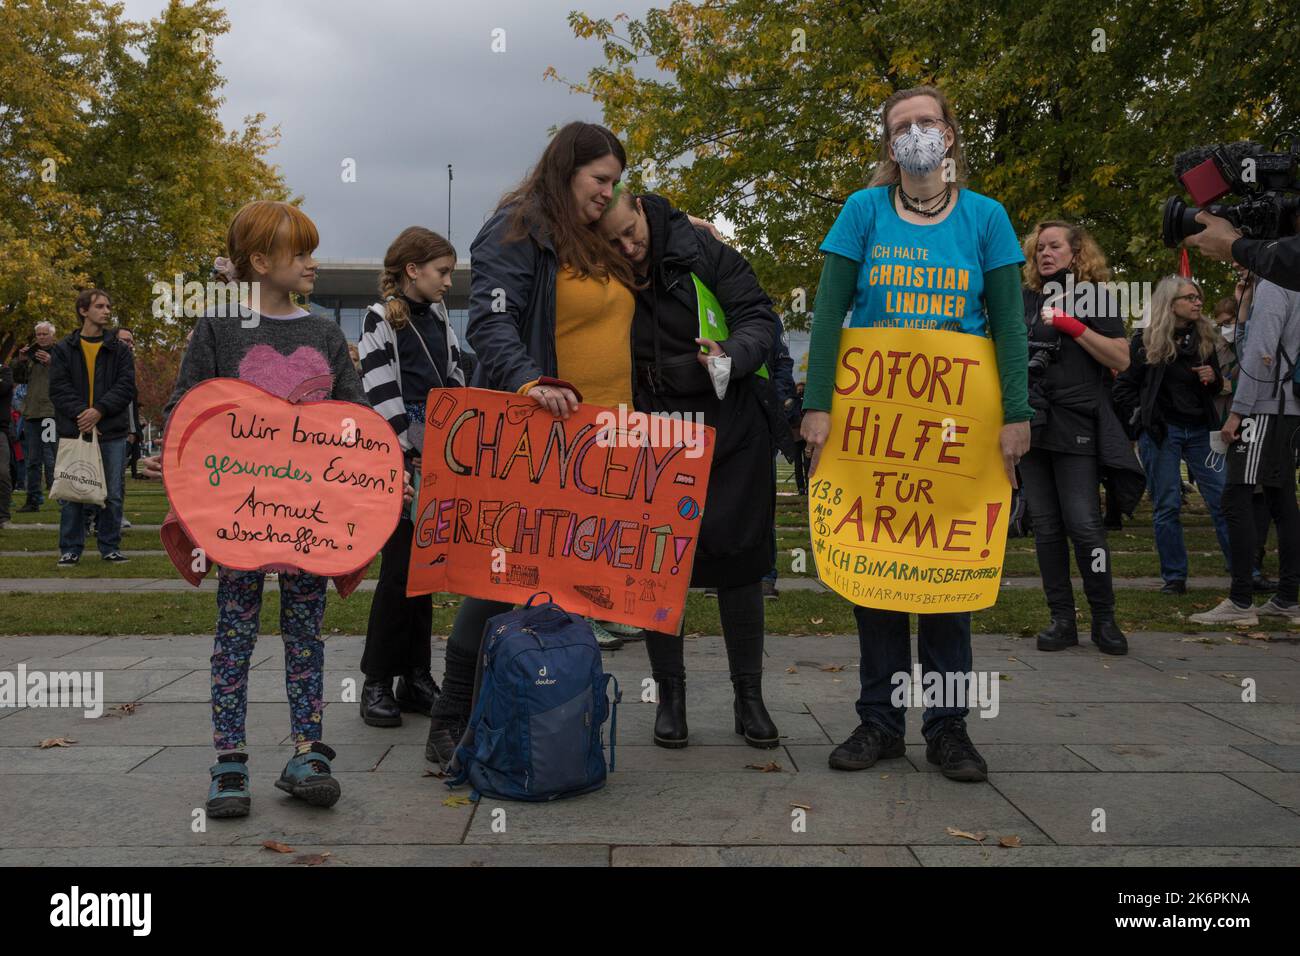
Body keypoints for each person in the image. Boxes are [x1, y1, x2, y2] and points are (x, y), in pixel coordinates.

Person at [801, 85, 1031, 781]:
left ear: (951, 135)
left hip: (960, 429)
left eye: (926, 121)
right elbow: (829, 315)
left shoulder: (987, 219)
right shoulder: (862, 213)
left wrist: (1018, 415)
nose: (916, 134)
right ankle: (879, 721)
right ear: (888, 145)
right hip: (873, 428)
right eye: (902, 126)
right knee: (875, 572)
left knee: (948, 581)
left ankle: (949, 727)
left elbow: (1010, 326)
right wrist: (816, 405)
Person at [142, 200, 387, 817]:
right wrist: (173, 456)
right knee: (236, 632)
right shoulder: (219, 330)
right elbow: (186, 408)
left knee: (306, 632)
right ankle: (230, 760)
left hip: (310, 519)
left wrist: (382, 476)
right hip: (239, 518)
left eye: (311, 251)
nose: (312, 263)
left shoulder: (327, 334)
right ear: (259, 261)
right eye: (299, 253)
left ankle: (308, 751)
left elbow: (355, 420)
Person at [423, 122, 646, 768]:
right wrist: (527, 381)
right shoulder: (518, 229)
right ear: (566, 168)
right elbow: (490, 321)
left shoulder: (591, 237)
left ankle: (540, 718)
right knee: (502, 577)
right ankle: (450, 719)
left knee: (564, 586)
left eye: (615, 183)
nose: (608, 192)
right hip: (539, 438)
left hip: (603, 444)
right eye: (599, 179)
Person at [597, 184, 782, 748]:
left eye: (631, 232)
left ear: (641, 206)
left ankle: (748, 696)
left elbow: (760, 317)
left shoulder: (703, 250)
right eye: (614, 242)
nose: (628, 248)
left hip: (730, 422)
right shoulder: (596, 265)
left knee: (740, 560)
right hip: (653, 425)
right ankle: (669, 695)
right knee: (659, 563)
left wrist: (730, 354)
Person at [356, 226, 466, 727]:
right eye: (442, 272)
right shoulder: (379, 318)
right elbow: (380, 389)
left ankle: (415, 675)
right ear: (412, 270)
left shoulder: (442, 318)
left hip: (438, 455)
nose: (448, 282)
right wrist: (405, 454)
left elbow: (457, 379)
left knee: (429, 567)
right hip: (401, 460)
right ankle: (377, 678)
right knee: (399, 570)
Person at [1018, 220, 1142, 655]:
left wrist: (1073, 326)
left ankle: (1105, 618)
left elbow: (1122, 358)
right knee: (1047, 529)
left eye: (1054, 247)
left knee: (1086, 526)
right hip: (1033, 423)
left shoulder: (1094, 297)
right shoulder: (1025, 300)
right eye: (1039, 249)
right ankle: (1062, 620)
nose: (1045, 254)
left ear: (1075, 253)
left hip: (1077, 424)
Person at [1191, 267, 1300, 625]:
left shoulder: (1275, 284)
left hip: (1264, 407)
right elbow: (1250, 346)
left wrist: (1237, 413)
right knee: (1280, 499)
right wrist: (1244, 304)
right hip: (1287, 408)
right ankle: (1287, 598)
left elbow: (1258, 355)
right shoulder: (1286, 282)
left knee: (1235, 497)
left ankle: (1240, 601)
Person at [1113, 277, 1230, 594]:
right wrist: (1142, 419)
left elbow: (1217, 386)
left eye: (1199, 297)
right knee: (1167, 505)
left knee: (1223, 500)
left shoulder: (1204, 339)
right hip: (1163, 433)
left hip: (1201, 431)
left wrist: (1213, 379)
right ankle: (1174, 577)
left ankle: (1246, 571)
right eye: (1190, 297)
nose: (1197, 302)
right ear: (1170, 303)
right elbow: (1123, 389)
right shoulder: (1145, 341)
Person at [47, 290, 136, 566]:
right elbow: (58, 388)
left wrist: (99, 411)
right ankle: (71, 548)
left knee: (113, 491)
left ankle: (109, 546)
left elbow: (125, 387)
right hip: (75, 430)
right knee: (73, 490)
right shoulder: (64, 348)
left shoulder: (119, 349)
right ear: (84, 311)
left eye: (108, 306)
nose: (107, 311)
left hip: (111, 430)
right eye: (100, 306)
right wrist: (82, 415)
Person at [1184, 211, 1300, 292]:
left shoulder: (1272, 286)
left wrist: (1233, 246)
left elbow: (1293, 260)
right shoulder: (1261, 285)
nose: (1235, 263)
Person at [14, 322, 58, 512]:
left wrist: (51, 362)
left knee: (55, 458)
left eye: (45, 334)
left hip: (51, 412)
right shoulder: (31, 354)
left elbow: (71, 375)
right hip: (32, 413)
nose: (41, 337)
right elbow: (19, 378)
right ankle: (33, 499)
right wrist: (21, 360)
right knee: (33, 459)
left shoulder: (62, 353)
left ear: (52, 336)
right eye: (38, 334)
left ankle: (64, 498)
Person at [0, 357, 11, 529]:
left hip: (0, 429)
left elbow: (3, 388)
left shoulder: (5, 370)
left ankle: (2, 516)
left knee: (2, 473)